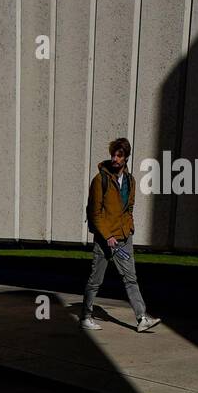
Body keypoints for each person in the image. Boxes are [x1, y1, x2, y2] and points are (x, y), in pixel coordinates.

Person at [82, 137, 160, 333]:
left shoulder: (131, 181)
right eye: (113, 154)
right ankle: (85, 316)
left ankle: (142, 318)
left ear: (126, 158)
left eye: (120, 155)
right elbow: (95, 212)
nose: (115, 158)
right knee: (95, 280)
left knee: (130, 278)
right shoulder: (101, 179)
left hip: (124, 239)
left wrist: (129, 228)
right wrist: (107, 235)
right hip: (105, 240)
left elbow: (129, 208)